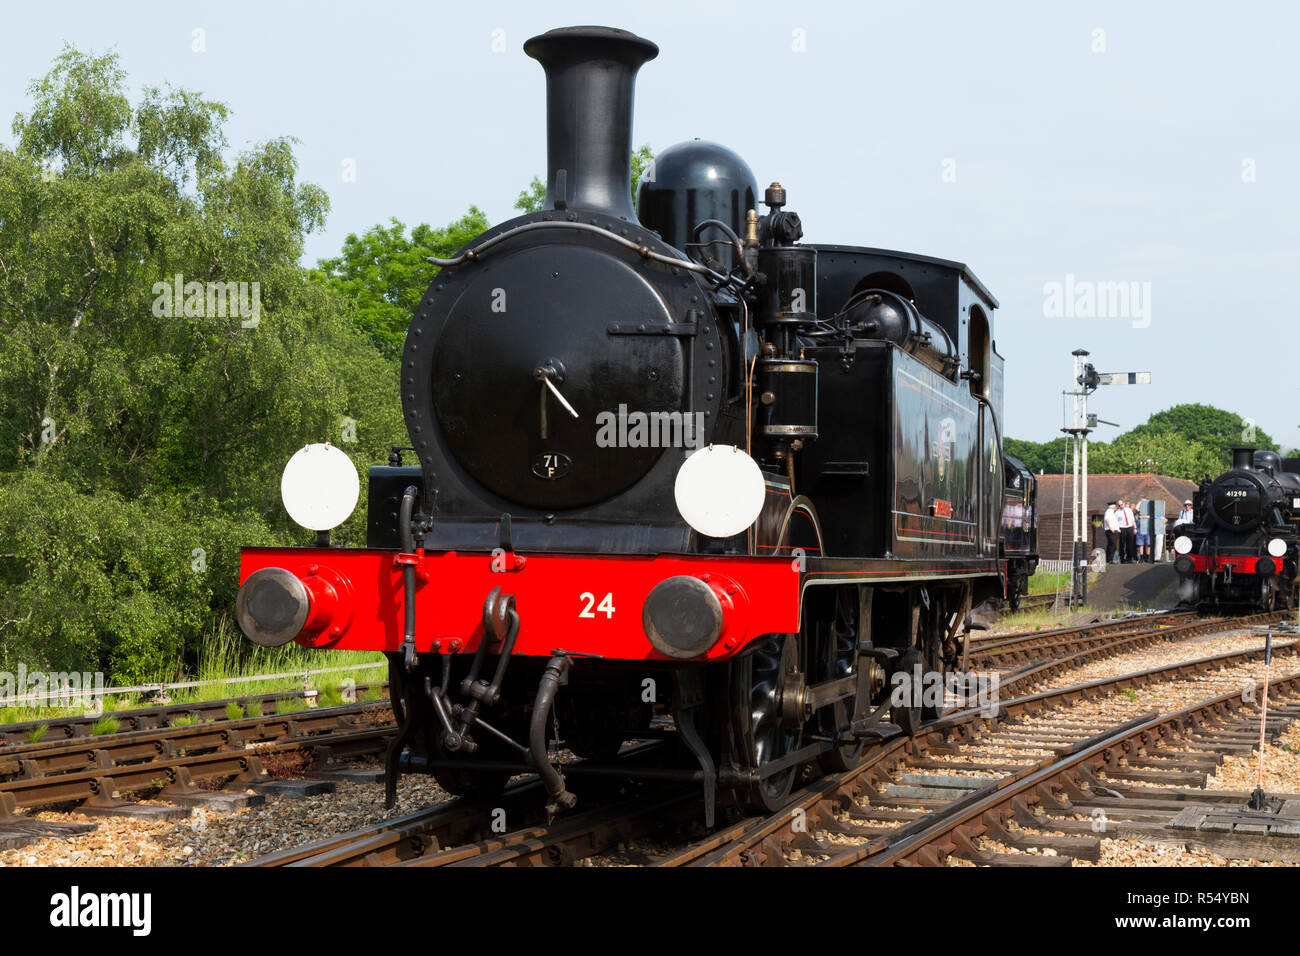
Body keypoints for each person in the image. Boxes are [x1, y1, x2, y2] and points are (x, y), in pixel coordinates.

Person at [1117, 498, 1137, 563]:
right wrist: (1117, 529)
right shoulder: (1117, 512)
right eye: (1119, 505)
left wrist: (1135, 528)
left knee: (1130, 543)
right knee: (1122, 544)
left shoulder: (1129, 510)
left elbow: (1132, 519)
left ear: (1124, 503)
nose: (1121, 506)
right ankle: (1122, 559)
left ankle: (1129, 558)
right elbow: (1115, 522)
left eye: (1121, 504)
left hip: (1129, 527)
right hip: (1122, 528)